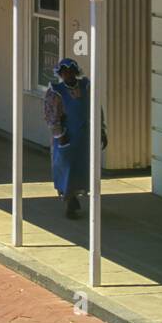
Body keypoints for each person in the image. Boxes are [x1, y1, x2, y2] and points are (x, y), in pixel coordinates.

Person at [44, 58, 108, 219]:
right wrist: (60, 135)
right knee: (66, 169)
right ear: (60, 74)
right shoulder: (56, 91)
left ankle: (77, 197)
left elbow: (96, 109)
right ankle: (68, 200)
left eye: (71, 71)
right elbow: (52, 116)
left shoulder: (86, 87)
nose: (68, 75)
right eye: (65, 72)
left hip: (84, 137)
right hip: (66, 136)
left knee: (83, 168)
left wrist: (101, 130)